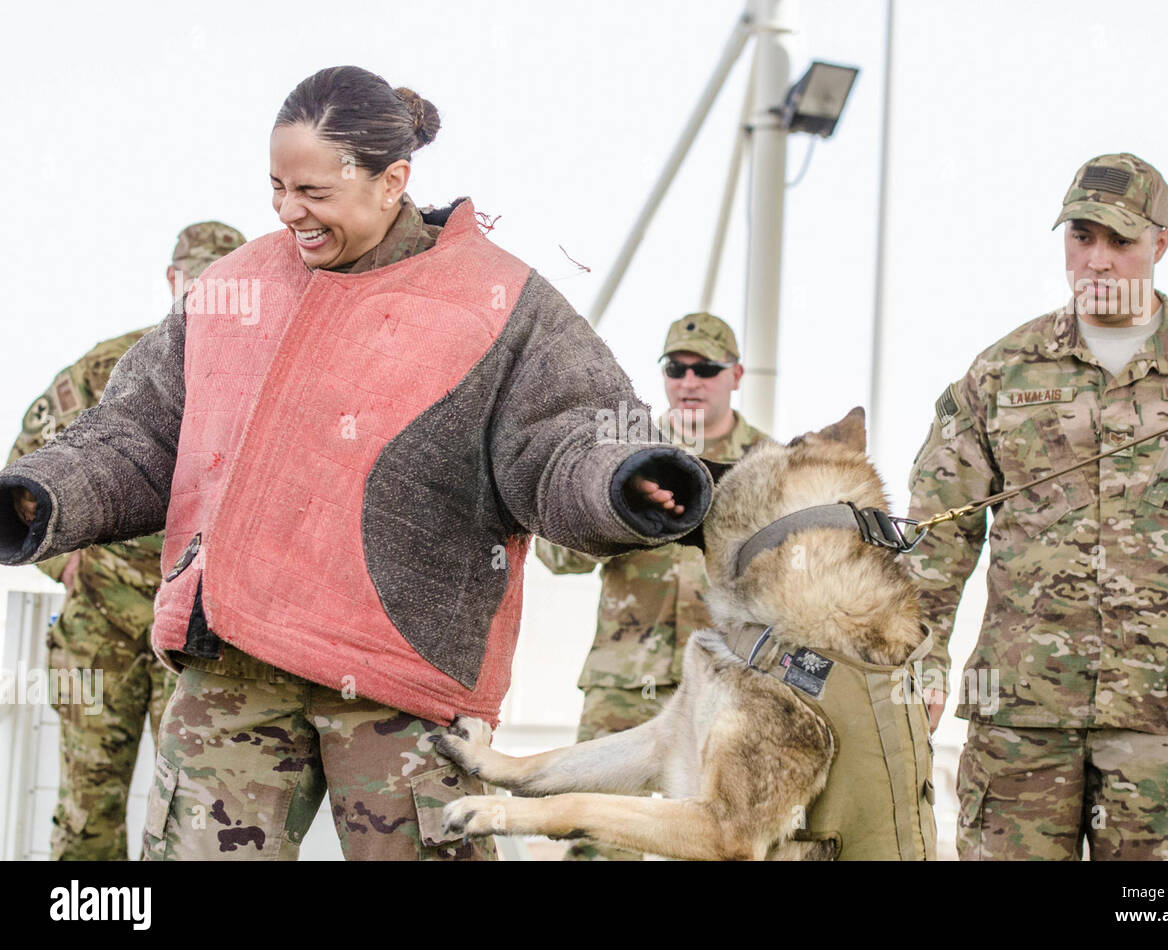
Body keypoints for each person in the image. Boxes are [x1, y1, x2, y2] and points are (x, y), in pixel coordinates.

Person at [0, 65, 712, 861]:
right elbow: (139, 432)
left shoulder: (499, 300)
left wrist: (617, 485)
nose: (286, 211)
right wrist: (37, 496)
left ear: (391, 180)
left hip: (398, 680)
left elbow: (564, 440)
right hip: (233, 663)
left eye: (312, 192)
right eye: (276, 186)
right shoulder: (238, 286)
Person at [906, 152, 1168, 861]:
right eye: (1081, 237)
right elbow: (938, 532)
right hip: (1022, 714)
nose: (1098, 260)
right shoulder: (1001, 372)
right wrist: (920, 661)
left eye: (1120, 240)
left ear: (1162, 243)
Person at [8, 220, 245, 860]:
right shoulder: (110, 370)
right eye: (195, 282)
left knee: (194, 821)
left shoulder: (258, 383)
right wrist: (72, 569)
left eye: (222, 285)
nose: (205, 297)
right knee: (89, 811)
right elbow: (25, 479)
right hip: (99, 630)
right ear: (174, 282)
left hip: (199, 637)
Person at [535, 312, 768, 859]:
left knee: (722, 840)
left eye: (706, 368)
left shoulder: (767, 465)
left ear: (735, 375)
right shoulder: (619, 455)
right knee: (597, 836)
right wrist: (618, 506)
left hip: (729, 687)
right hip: (623, 682)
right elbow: (554, 555)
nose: (690, 380)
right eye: (676, 367)